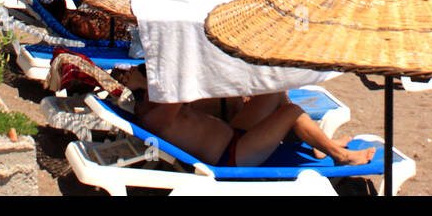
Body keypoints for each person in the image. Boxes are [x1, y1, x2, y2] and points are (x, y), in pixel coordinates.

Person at [114, 65, 375, 168]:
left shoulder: (153, 110)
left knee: (274, 92)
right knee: (291, 110)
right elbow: (182, 88)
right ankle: (339, 155)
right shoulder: (155, 118)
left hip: (233, 136)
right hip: (234, 155)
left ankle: (321, 144)